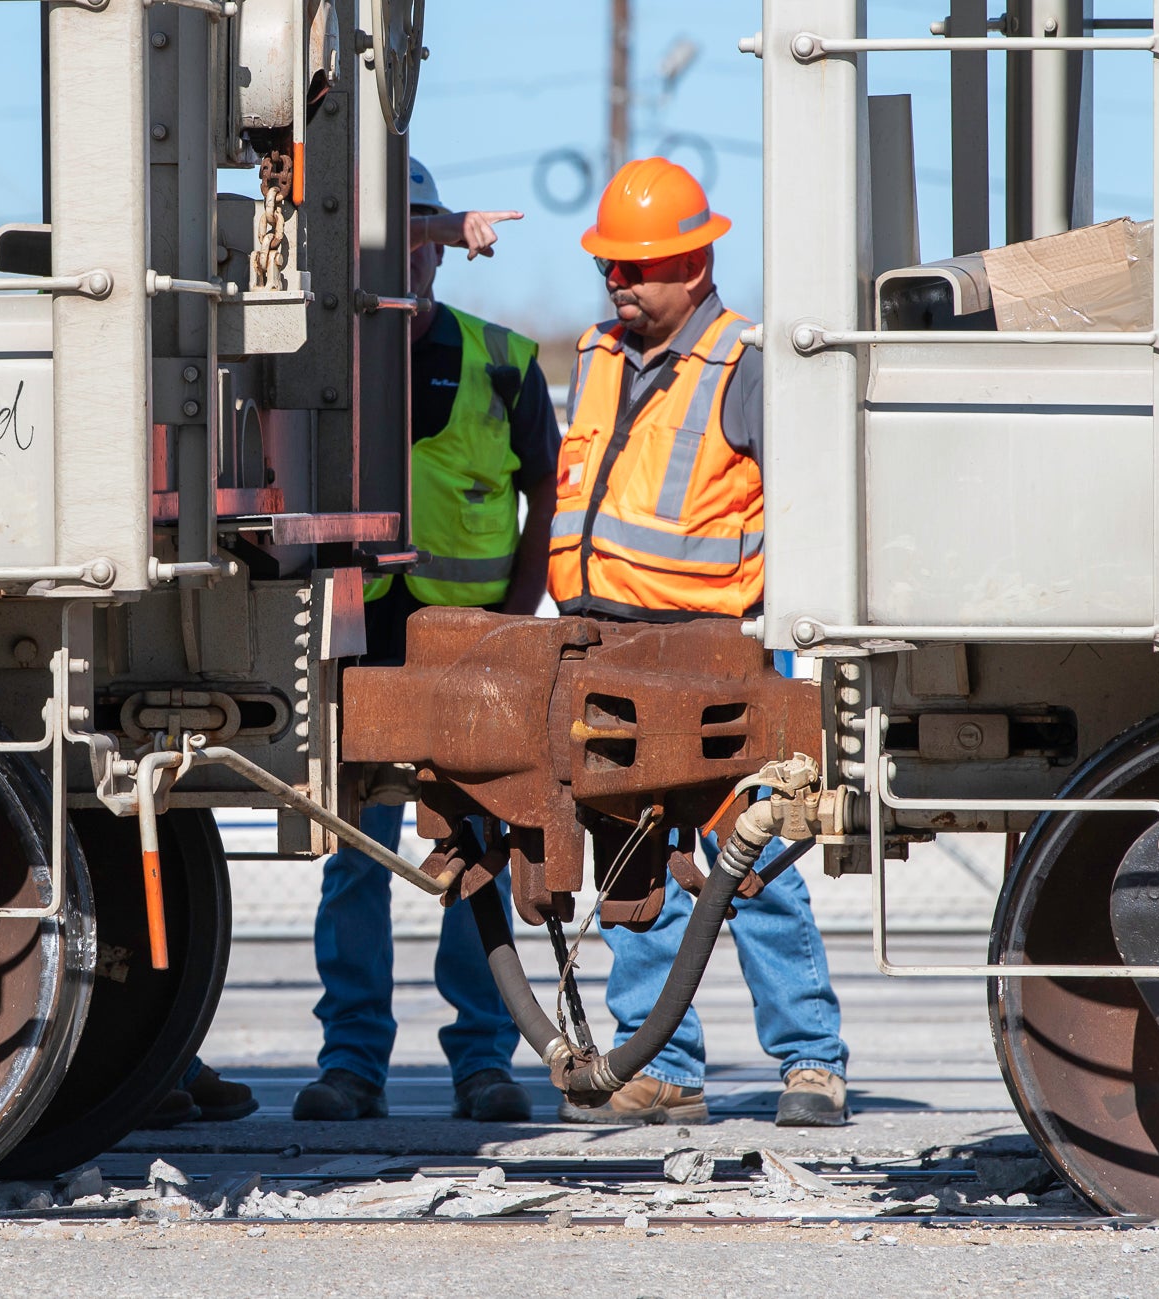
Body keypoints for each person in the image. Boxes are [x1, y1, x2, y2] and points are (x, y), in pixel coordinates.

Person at [548, 157, 850, 1128]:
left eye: (634, 268)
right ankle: (662, 1067)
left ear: (693, 264)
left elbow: (809, 506)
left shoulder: (744, 364)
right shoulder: (595, 355)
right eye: (608, 266)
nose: (616, 282)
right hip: (609, 647)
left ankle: (810, 1062)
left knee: (746, 856)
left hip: (716, 652)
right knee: (632, 861)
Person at [293, 158, 560, 1125]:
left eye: (420, 234)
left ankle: (482, 1061)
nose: (405, 254)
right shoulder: (317, 358)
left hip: (473, 648)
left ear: (438, 252)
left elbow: (543, 497)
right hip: (357, 640)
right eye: (387, 234)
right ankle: (351, 1063)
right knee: (356, 857)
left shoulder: (503, 359)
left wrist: (517, 625)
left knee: (476, 851)